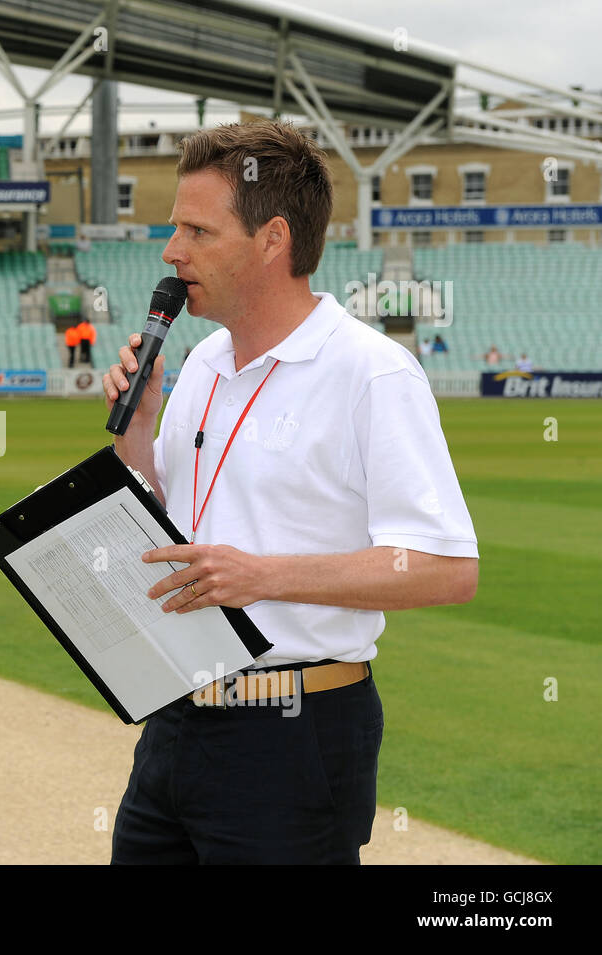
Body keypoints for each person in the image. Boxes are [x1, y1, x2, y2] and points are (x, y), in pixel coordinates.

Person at [102, 120, 478, 865]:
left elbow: (448, 568)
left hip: (297, 731)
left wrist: (264, 575)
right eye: (174, 228)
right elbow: (176, 533)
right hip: (175, 721)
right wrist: (136, 440)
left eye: (196, 230)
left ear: (273, 239)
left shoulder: (371, 373)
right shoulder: (204, 362)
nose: (172, 252)